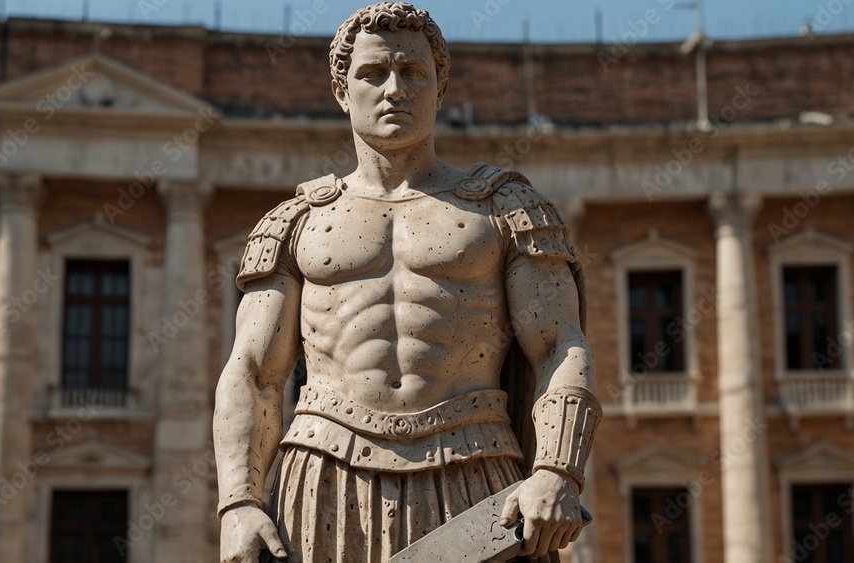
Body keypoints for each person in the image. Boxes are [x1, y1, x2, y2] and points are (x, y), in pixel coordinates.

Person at [213, 3, 602, 561]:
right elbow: (252, 373)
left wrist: (557, 469)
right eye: (374, 73)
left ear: (441, 88)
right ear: (342, 91)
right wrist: (240, 504)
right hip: (322, 472)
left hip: (478, 471)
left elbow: (560, 345)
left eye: (413, 72)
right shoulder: (295, 221)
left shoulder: (508, 209)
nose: (395, 89)